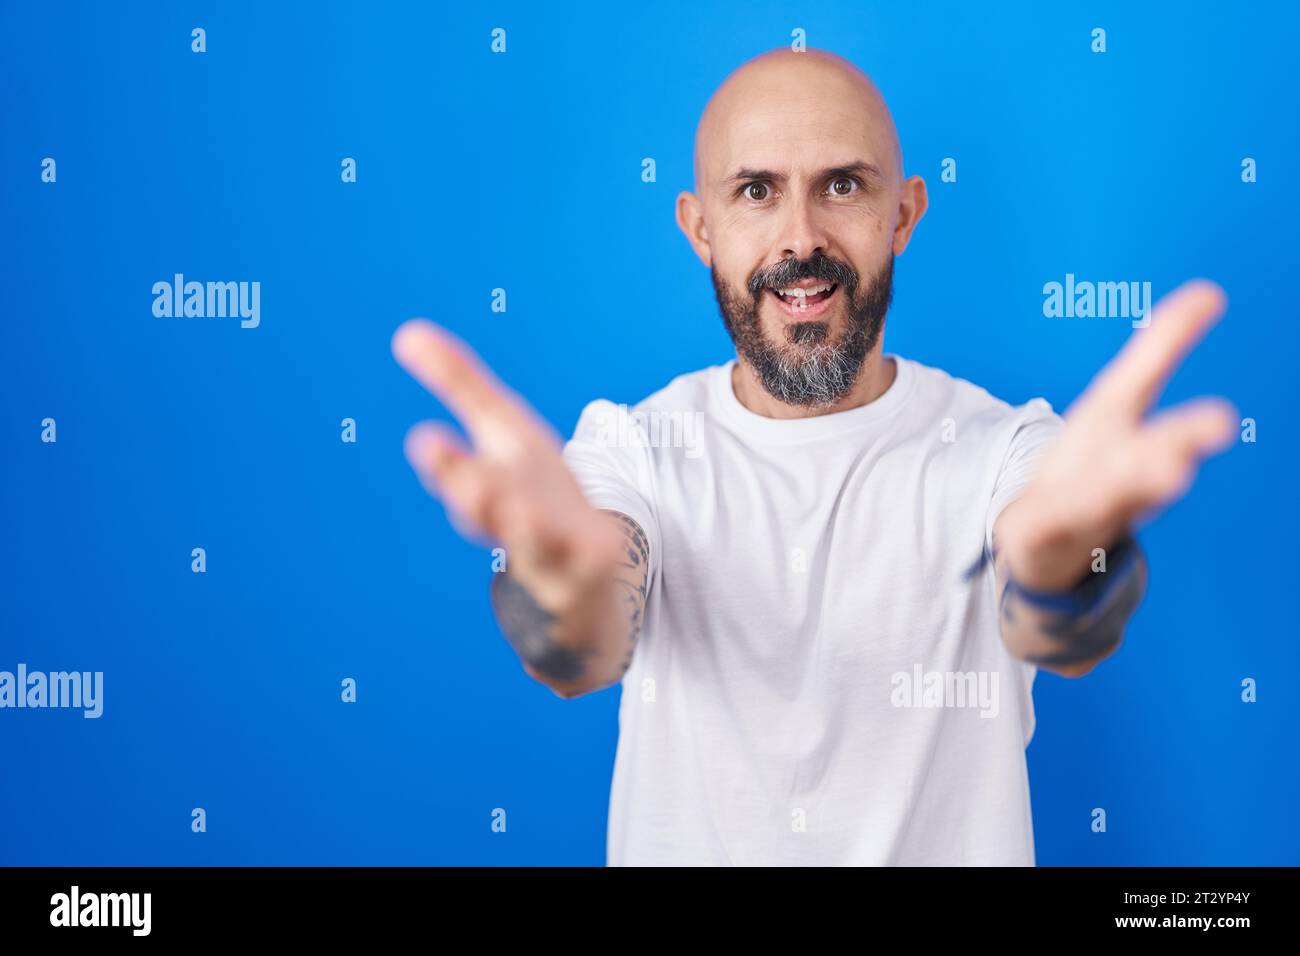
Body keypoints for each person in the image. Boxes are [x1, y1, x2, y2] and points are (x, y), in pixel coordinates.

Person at [390, 47, 1236, 865]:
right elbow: (584, 651)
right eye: (756, 191)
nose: (801, 239)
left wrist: (1064, 570)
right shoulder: (634, 449)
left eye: (842, 185)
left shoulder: (1006, 450)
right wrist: (565, 590)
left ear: (902, 214)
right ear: (700, 227)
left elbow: (1066, 634)